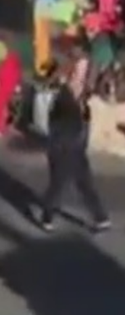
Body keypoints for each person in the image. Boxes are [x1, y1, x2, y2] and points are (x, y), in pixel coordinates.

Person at [37, 60, 110, 232]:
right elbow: (67, 122)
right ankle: (48, 216)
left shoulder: (67, 95)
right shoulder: (62, 96)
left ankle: (100, 217)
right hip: (64, 143)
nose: (80, 78)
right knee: (61, 182)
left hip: (70, 143)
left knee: (78, 180)